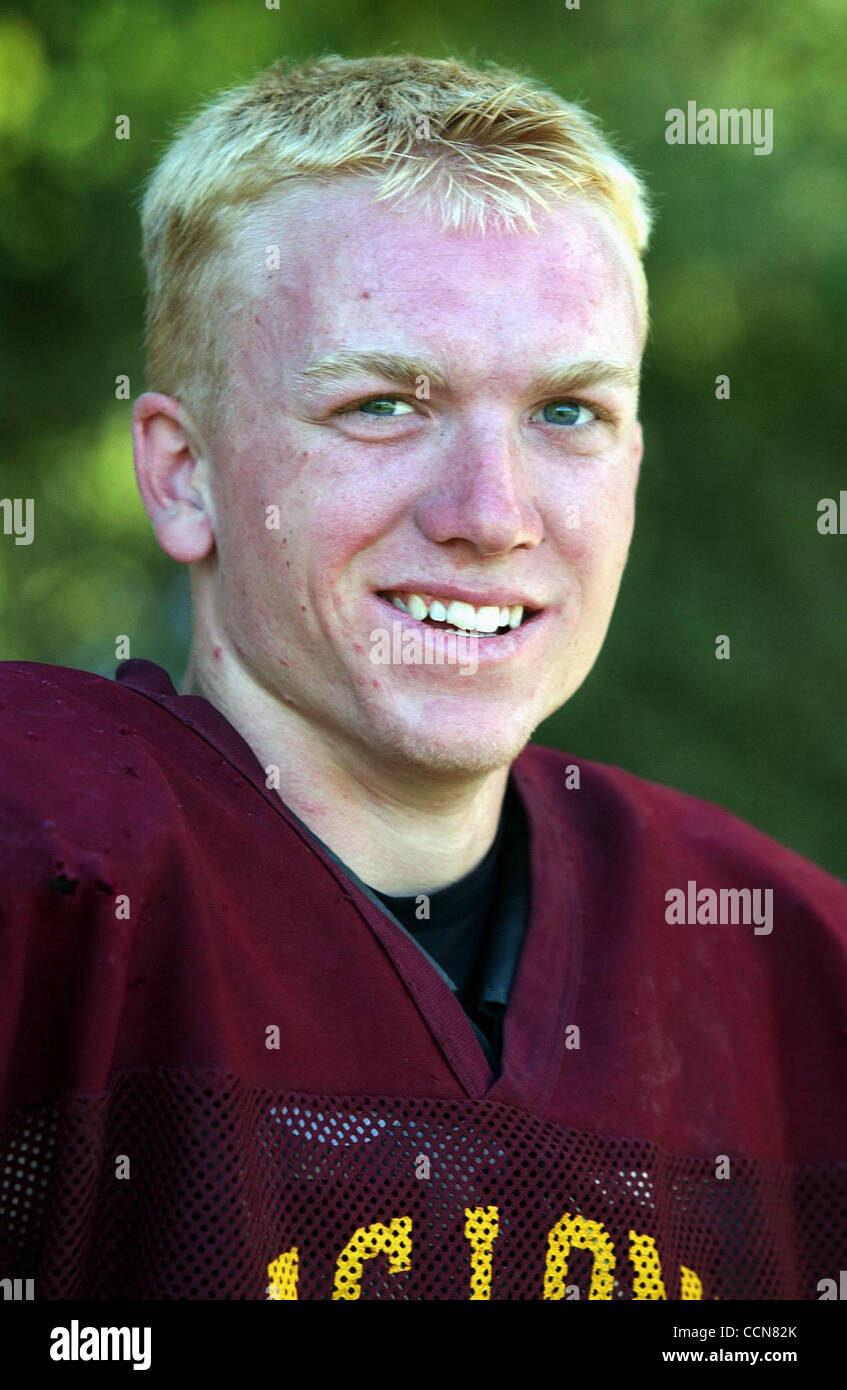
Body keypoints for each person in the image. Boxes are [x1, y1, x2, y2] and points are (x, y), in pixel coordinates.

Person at [1, 53, 845, 1303]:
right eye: (387, 403)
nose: (490, 515)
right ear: (184, 476)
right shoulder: (48, 872)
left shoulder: (793, 967)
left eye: (566, 413)